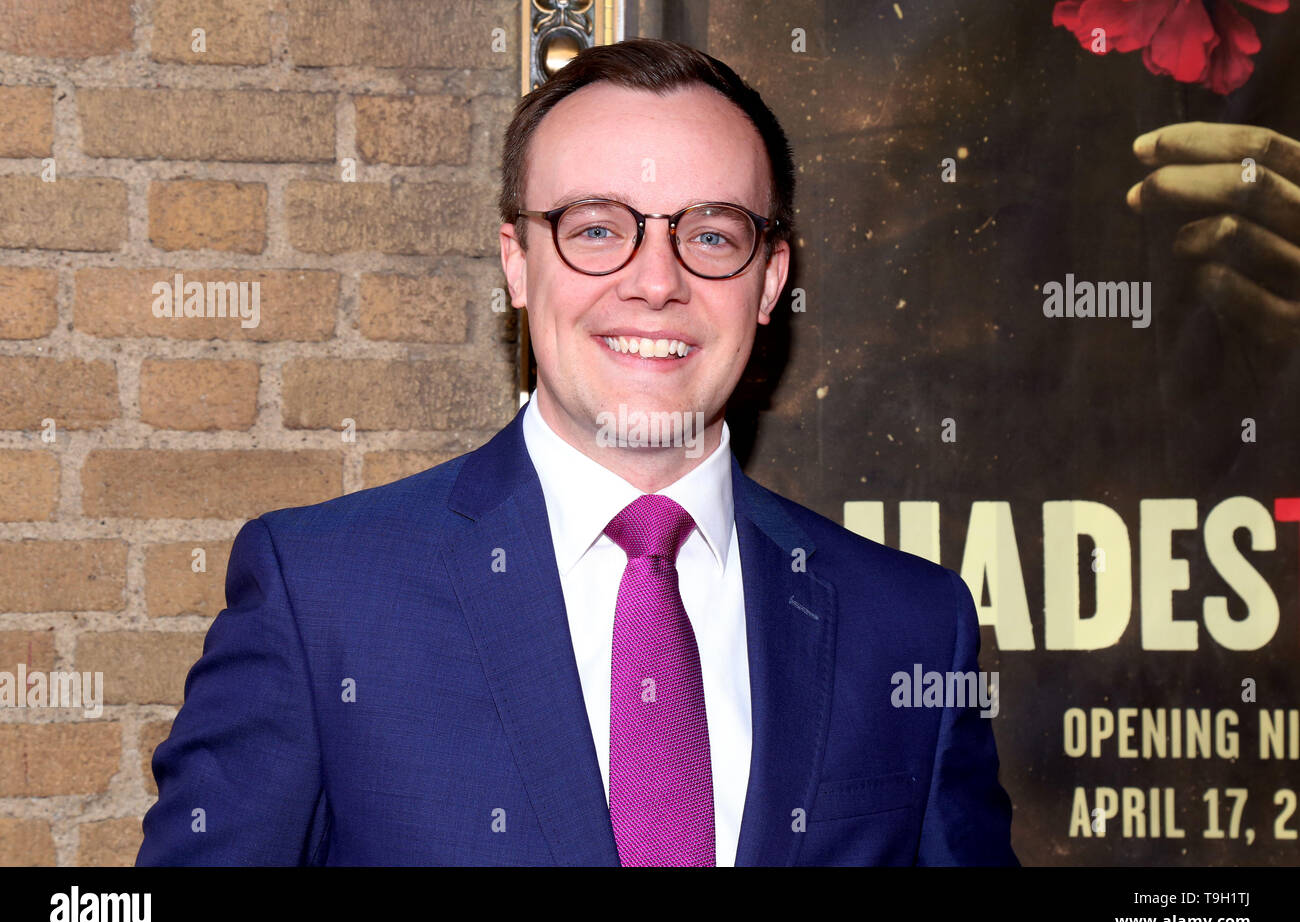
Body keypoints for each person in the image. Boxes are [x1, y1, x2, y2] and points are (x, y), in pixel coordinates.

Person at [136, 37, 1016, 867]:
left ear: (771, 280)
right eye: (596, 229)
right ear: (517, 264)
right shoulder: (323, 597)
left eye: (711, 234)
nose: (656, 279)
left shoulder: (907, 627)